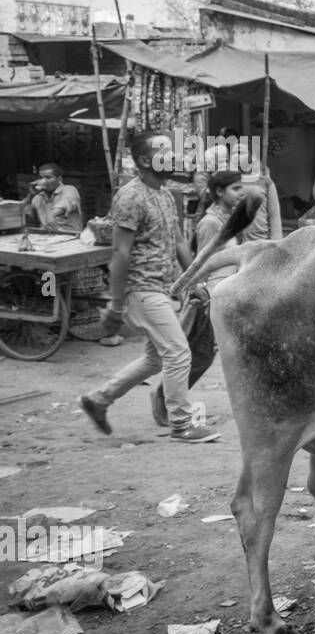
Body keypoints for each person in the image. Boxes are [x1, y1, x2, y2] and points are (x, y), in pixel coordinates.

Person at [79, 130, 221, 444]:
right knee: (178, 352)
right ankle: (182, 424)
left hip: (163, 287)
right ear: (144, 160)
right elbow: (119, 252)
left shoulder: (165, 193)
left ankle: (99, 399)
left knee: (156, 358)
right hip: (140, 289)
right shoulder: (130, 196)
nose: (175, 158)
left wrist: (193, 280)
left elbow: (180, 241)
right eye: (166, 153)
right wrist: (117, 305)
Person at [148, 169, 246, 427]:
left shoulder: (228, 218)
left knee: (204, 354)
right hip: (210, 296)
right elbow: (202, 262)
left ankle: (168, 402)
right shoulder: (211, 223)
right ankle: (164, 403)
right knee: (199, 355)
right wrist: (199, 289)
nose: (241, 193)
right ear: (219, 192)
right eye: (236, 188)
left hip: (225, 295)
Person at [23, 164, 83, 232]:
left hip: (70, 237)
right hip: (48, 238)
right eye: (41, 178)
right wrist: (30, 195)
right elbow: (24, 214)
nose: (43, 181)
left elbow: (66, 202)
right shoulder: (38, 197)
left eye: (48, 178)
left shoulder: (69, 189)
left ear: (59, 179)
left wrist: (51, 214)